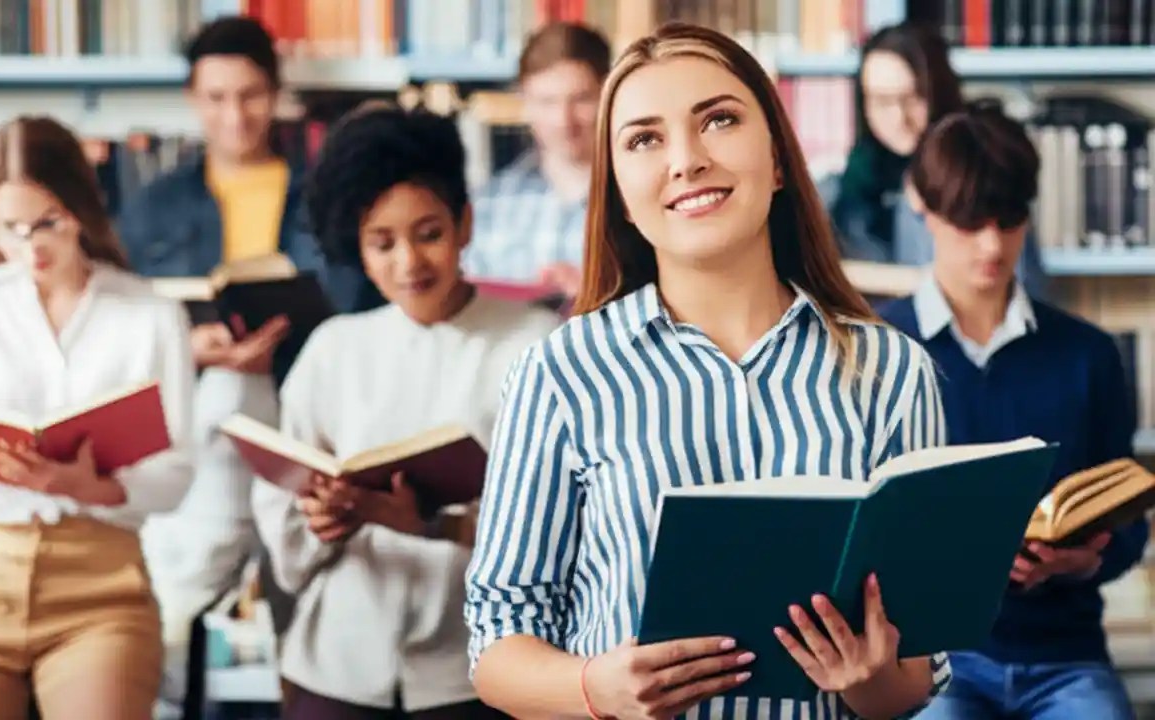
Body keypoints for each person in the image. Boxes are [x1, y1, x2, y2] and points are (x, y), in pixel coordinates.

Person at [464, 21, 951, 720]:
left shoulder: (893, 372)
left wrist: (863, 676)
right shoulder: (560, 373)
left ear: (779, 160)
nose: (686, 160)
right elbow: (496, 644)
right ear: (621, 194)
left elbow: (914, 675)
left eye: (718, 120)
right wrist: (593, 689)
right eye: (644, 139)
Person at [250, 104, 560, 720]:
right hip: (336, 669)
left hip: (476, 677)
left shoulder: (534, 345)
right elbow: (283, 541)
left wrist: (431, 525)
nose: (409, 264)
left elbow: (560, 535)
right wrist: (324, 519)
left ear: (465, 224)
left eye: (429, 233)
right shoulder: (335, 348)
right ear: (357, 249)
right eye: (382, 243)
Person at [117, 15, 383, 699]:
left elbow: (361, 310)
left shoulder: (326, 197)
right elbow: (122, 334)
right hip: (204, 427)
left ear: (277, 93)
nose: (235, 115)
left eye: (251, 95)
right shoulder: (152, 207)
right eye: (216, 98)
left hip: (308, 410)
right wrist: (190, 349)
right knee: (177, 601)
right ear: (192, 100)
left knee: (316, 619)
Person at [0, 116, 194, 719]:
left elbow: (176, 475)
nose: (32, 245)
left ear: (83, 207)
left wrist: (94, 486)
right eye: (10, 227)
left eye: (49, 222)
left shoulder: (151, 315)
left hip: (101, 581)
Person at [879, 105, 1146, 720]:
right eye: (969, 223)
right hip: (934, 662)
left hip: (1066, 659)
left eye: (1010, 220)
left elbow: (1128, 523)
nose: (992, 245)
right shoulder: (880, 353)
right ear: (923, 203)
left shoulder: (1088, 353)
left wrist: (1084, 561)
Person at [818, 22, 1046, 296]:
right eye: (880, 101)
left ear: (938, 92)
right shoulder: (849, 182)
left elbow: (1017, 291)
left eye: (913, 97)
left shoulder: (980, 168)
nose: (898, 118)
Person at [462, 20, 610, 298]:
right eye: (547, 102)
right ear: (525, 102)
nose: (563, 120)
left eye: (581, 99)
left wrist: (595, 294)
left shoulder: (637, 201)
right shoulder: (488, 204)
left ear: (608, 95)